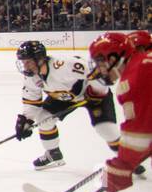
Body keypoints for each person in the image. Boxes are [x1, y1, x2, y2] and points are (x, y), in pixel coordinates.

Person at [12, 40, 120, 171]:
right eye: (23, 62)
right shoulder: (31, 78)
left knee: (105, 129)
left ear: (40, 59)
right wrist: (26, 120)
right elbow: (31, 101)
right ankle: (53, 154)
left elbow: (95, 71)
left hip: (93, 94)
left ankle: (127, 158)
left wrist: (96, 90)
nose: (25, 66)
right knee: (43, 119)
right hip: (63, 97)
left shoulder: (63, 65)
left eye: (28, 61)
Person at [90, 33, 152, 192]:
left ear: (112, 58)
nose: (99, 69)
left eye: (100, 62)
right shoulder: (142, 63)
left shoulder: (136, 75)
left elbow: (139, 130)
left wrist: (121, 166)